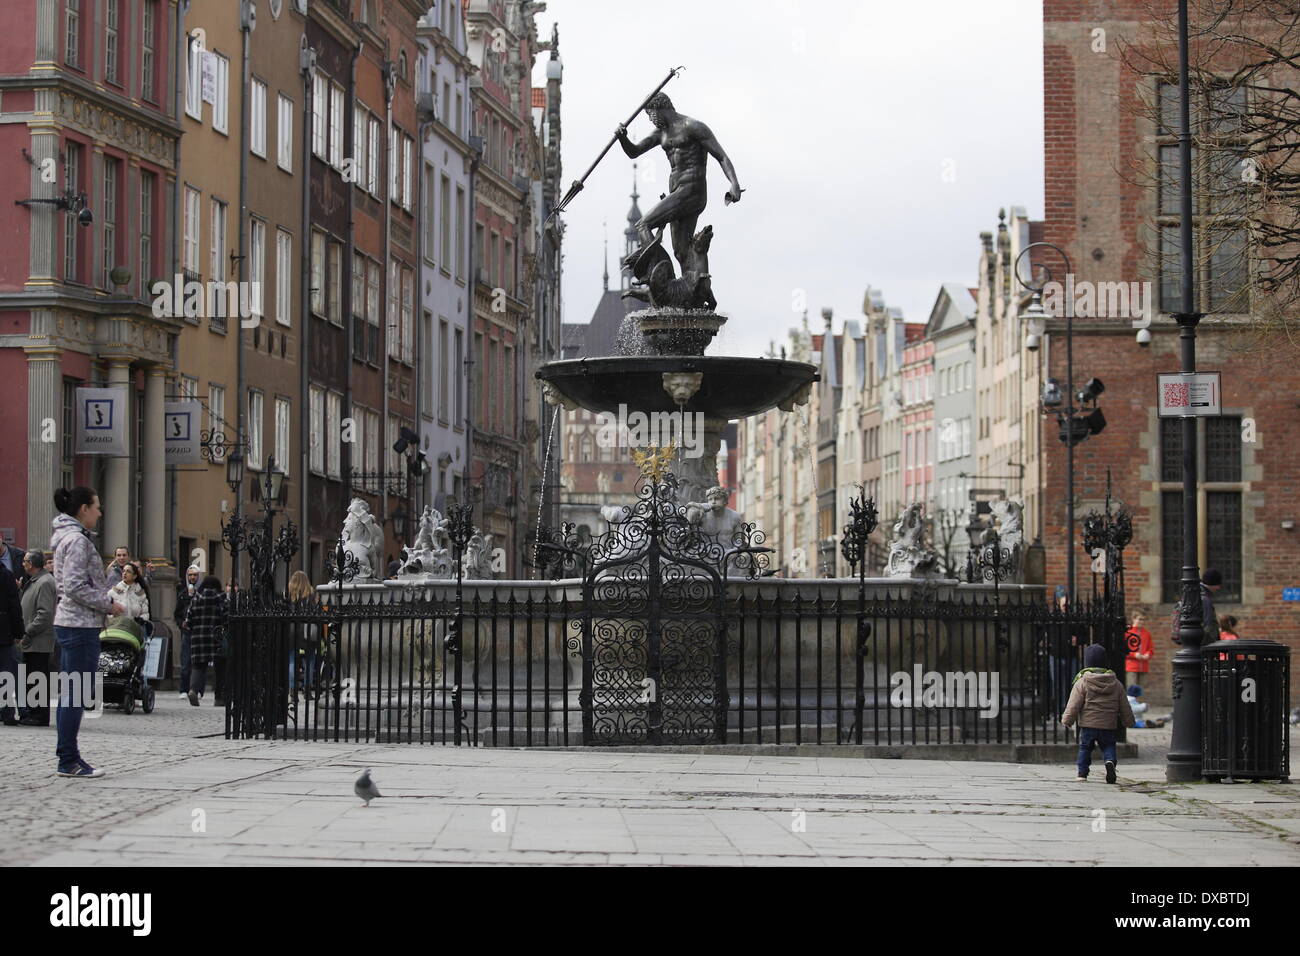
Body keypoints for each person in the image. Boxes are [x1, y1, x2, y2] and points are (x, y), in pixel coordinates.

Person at [51, 485, 125, 778]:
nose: (100, 512)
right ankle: (68, 759)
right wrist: (108, 603)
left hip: (70, 622)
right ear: (83, 509)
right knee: (75, 694)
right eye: (96, 507)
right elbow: (74, 586)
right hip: (80, 624)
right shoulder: (78, 541)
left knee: (70, 692)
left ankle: (68, 755)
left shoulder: (67, 538)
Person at [1062, 643, 1136, 783]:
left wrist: (1067, 720)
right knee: (1108, 745)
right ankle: (1110, 761)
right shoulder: (1116, 683)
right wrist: (1129, 721)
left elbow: (1074, 704)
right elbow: (1124, 705)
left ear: (1087, 662)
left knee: (1085, 748)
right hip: (1108, 724)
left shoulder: (1082, 682)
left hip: (1088, 724)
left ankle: (1082, 774)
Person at [19, 550, 57, 726]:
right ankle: (33, 713)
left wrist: (28, 631)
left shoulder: (45, 582)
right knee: (32, 677)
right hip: (32, 639)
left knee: (37, 677)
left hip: (38, 640)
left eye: (25, 561)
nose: (23, 563)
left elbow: (44, 614)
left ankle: (39, 716)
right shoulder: (35, 581)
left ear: (32, 564)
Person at [183, 575, 228, 707]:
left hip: (198, 637)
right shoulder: (221, 597)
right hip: (217, 636)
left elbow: (189, 618)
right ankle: (219, 697)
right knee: (220, 668)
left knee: (198, 666)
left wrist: (193, 627)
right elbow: (226, 617)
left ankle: (193, 690)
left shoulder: (196, 598)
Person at [287, 570, 318, 696]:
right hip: (307, 631)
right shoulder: (311, 594)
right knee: (309, 661)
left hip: (293, 631)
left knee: (293, 661)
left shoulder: (288, 594)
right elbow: (315, 613)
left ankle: (293, 689)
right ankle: (307, 689)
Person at [0, 563, 23, 726]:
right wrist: (18, 632)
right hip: (3, 631)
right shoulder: (6, 575)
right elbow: (14, 606)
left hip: (4, 630)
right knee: (5, 674)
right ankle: (6, 712)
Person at [174, 565, 200, 699]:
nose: (193, 577)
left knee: (199, 661)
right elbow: (177, 614)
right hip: (187, 631)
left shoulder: (202, 592)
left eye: (195, 575)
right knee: (185, 662)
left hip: (199, 631)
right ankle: (183, 689)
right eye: (190, 575)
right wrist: (181, 624)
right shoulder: (183, 593)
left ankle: (197, 689)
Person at [1124, 610, 1154, 687]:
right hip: (1131, 667)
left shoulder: (1147, 633)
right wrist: (1134, 654)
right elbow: (1123, 649)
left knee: (1141, 692)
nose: (1142, 622)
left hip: (1143, 666)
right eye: (1140, 619)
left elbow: (1150, 649)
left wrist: (1148, 655)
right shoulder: (1128, 632)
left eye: (1143, 619)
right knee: (1131, 691)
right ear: (1133, 619)